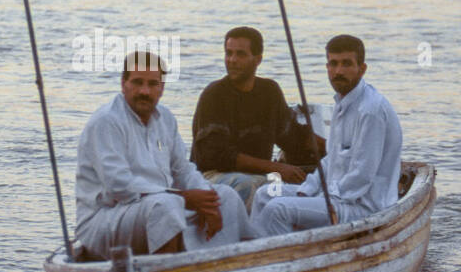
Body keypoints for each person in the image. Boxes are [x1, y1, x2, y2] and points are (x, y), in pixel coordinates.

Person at [75, 51, 255, 259]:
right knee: (166, 207)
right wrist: (185, 198)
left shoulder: (166, 118)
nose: (145, 91)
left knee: (226, 197)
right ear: (123, 84)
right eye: (137, 82)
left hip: (154, 208)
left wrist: (207, 200)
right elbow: (120, 187)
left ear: (162, 87)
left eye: (152, 84)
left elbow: (184, 171)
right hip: (105, 219)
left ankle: (219, 270)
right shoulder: (107, 121)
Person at [252, 34, 402, 236]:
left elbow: (362, 176)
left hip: (363, 206)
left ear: (362, 68)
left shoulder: (370, 111)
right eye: (333, 64)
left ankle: (282, 262)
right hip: (336, 196)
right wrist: (307, 189)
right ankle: (259, 256)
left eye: (347, 64)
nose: (339, 71)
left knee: (277, 209)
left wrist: (323, 194)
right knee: (264, 195)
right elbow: (330, 160)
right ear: (327, 67)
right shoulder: (343, 104)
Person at [191, 27, 324, 212]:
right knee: (255, 184)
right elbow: (218, 156)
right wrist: (275, 167)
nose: (232, 60)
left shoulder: (269, 91)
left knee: (311, 180)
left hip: (262, 175)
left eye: (240, 54)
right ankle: (251, 236)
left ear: (258, 59)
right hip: (213, 176)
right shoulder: (214, 95)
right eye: (228, 53)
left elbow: (294, 137)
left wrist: (336, 150)